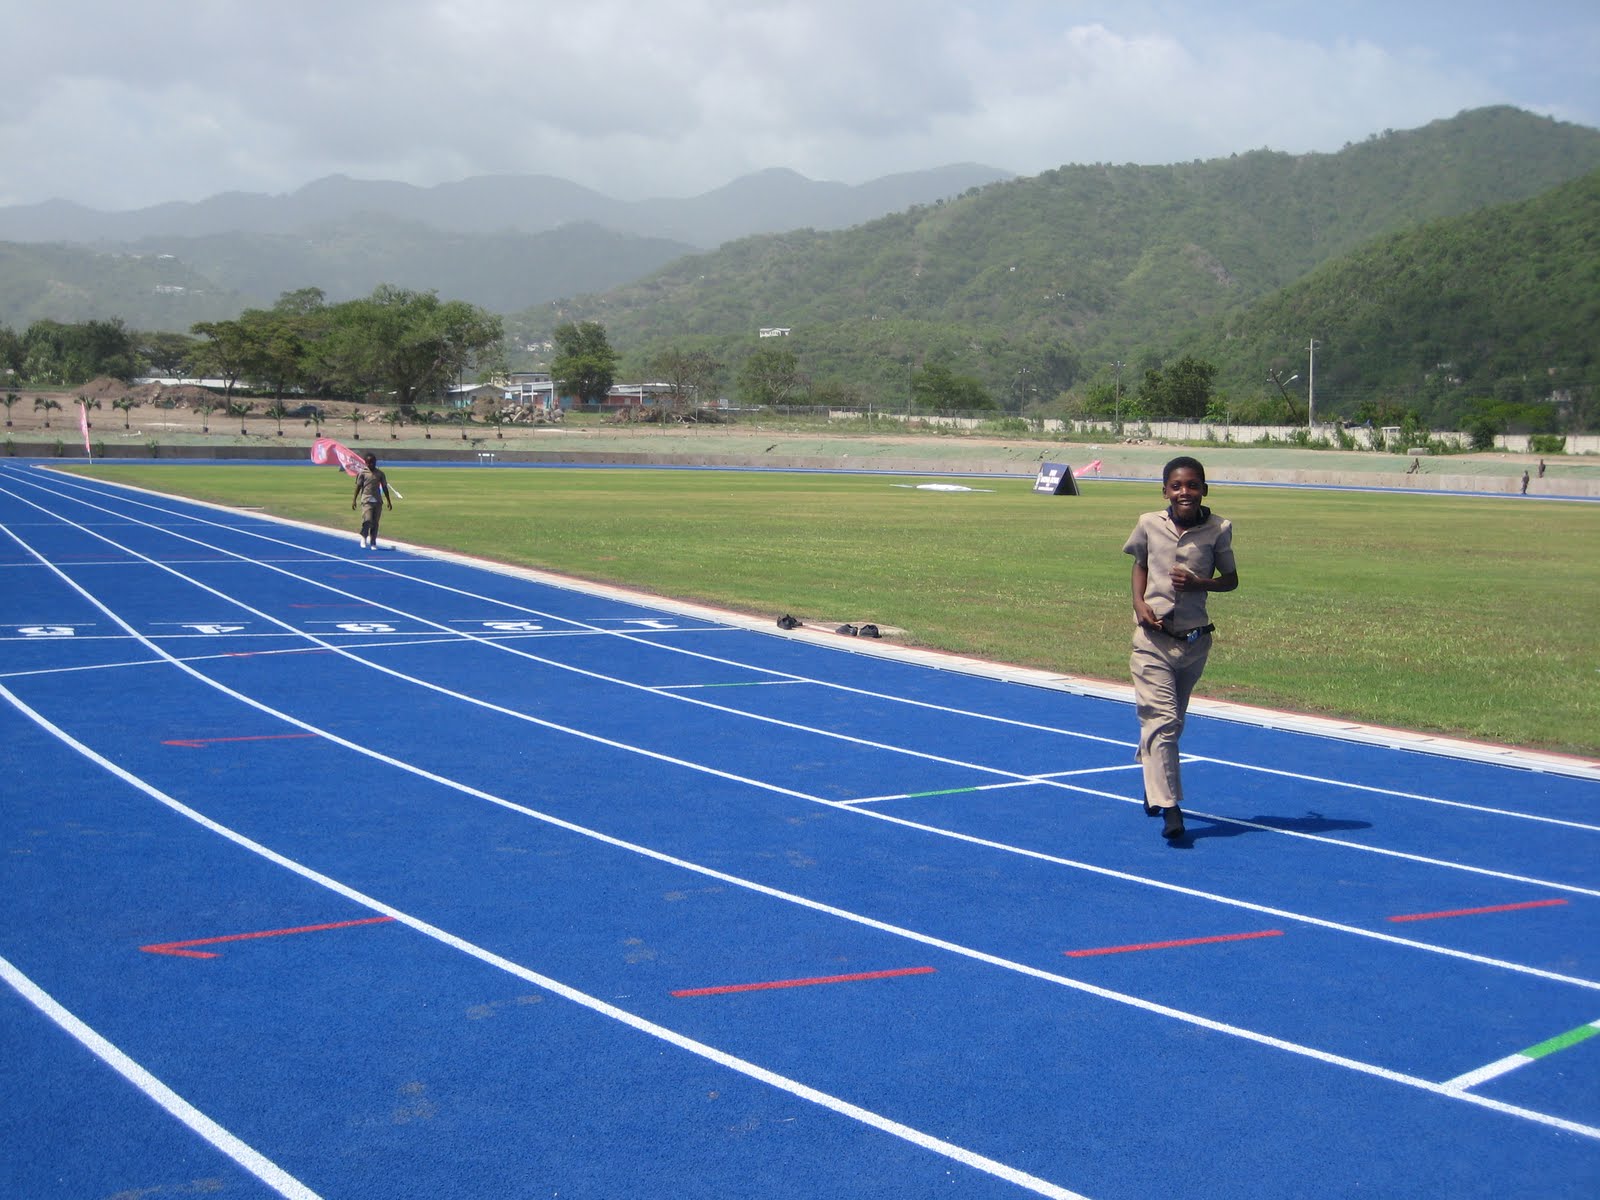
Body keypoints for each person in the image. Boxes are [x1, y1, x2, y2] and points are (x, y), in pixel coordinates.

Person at [1122, 456, 1239, 841]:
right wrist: (1139, 603)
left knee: (1171, 724)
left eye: (1192, 485)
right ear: (1165, 491)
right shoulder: (1148, 523)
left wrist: (1201, 583)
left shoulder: (1219, 529)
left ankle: (1153, 778)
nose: (1184, 492)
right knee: (1163, 720)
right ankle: (1171, 808)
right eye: (1176, 486)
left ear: (1204, 489)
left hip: (1194, 642)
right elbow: (1139, 563)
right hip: (1152, 641)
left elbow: (1231, 579)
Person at [352, 452, 392, 548]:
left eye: (373, 462)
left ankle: (373, 541)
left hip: (377, 501)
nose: (371, 464)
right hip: (366, 500)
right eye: (369, 463)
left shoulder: (380, 474)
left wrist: (389, 501)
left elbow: (384, 487)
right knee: (368, 520)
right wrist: (354, 500)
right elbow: (358, 487)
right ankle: (364, 537)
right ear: (366, 463)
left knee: (375, 523)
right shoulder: (362, 473)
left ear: (375, 462)